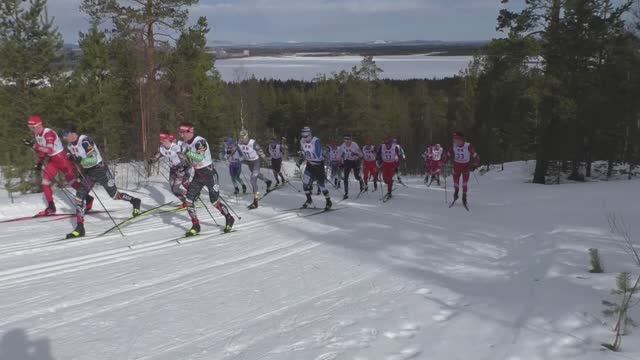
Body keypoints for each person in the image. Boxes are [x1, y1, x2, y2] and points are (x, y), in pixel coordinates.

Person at [62, 124, 141, 238]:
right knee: (79, 196)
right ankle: (80, 228)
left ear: (73, 133)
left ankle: (134, 201)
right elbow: (75, 159)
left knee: (114, 195)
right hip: (88, 173)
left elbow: (93, 159)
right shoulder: (70, 146)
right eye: (63, 135)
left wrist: (80, 160)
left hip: (100, 169)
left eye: (66, 134)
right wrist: (72, 160)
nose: (65, 137)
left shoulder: (85, 141)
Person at [22, 115, 89, 216]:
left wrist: (33, 145)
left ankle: (88, 199)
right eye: (30, 128)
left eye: (33, 127)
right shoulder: (37, 136)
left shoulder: (48, 134)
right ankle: (51, 207)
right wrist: (39, 162)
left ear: (39, 125)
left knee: (72, 183)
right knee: (45, 182)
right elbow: (43, 151)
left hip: (62, 159)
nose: (31, 130)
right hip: (53, 160)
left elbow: (49, 149)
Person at [179, 122, 234, 236]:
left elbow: (199, 158)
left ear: (189, 132)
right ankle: (196, 225)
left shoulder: (200, 141)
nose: (181, 135)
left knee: (214, 202)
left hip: (209, 175)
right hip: (198, 175)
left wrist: (187, 153)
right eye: (180, 132)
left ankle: (229, 218)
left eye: (183, 132)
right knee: (188, 200)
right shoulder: (185, 144)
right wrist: (184, 167)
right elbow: (191, 161)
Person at [148, 132, 192, 207]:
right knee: (172, 187)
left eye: (165, 140)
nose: (163, 142)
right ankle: (186, 199)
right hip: (173, 168)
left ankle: (190, 197)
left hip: (181, 167)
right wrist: (152, 160)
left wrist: (186, 166)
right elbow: (157, 155)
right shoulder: (161, 148)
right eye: (162, 141)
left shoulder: (176, 148)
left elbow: (186, 158)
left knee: (177, 187)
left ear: (169, 139)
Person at [237, 129, 272, 209]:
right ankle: (268, 181)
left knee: (253, 180)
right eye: (241, 137)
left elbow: (260, 151)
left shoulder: (252, 143)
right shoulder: (239, 143)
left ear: (247, 136)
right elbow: (239, 151)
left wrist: (266, 160)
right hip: (249, 163)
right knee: (257, 175)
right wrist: (241, 158)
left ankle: (255, 201)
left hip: (256, 162)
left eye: (243, 137)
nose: (242, 139)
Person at [298, 126, 332, 209]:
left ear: (310, 134)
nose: (305, 138)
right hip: (310, 165)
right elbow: (304, 151)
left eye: (306, 136)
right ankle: (309, 200)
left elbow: (317, 154)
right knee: (305, 184)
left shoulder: (316, 141)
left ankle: (328, 201)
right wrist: (301, 158)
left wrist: (307, 156)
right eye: (303, 136)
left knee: (321, 185)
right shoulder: (302, 141)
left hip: (318, 165)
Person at [445, 132, 480, 206]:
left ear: (461, 140)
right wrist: (443, 161)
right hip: (456, 166)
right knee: (456, 182)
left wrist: (475, 164)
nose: (455, 141)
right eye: (454, 140)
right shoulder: (454, 146)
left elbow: (476, 156)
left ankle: (464, 197)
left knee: (464, 183)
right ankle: (456, 192)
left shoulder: (468, 146)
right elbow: (448, 155)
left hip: (465, 167)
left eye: (457, 139)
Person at [339, 134, 364, 199]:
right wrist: (340, 162)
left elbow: (361, 155)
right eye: (345, 139)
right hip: (347, 161)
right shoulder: (343, 145)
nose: (346, 141)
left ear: (351, 140)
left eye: (348, 139)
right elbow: (340, 154)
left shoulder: (355, 145)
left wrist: (356, 154)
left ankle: (361, 182)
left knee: (356, 176)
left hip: (355, 161)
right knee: (345, 177)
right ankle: (346, 193)